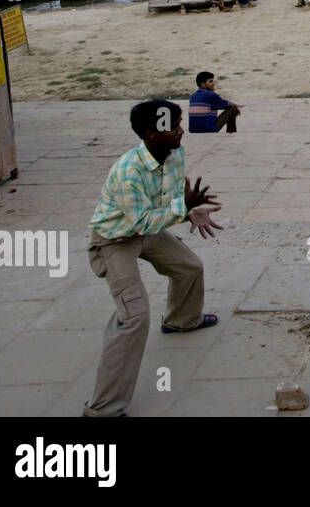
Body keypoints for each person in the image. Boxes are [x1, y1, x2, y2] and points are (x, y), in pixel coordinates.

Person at [82, 100, 222, 417]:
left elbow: (169, 196)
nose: (180, 131)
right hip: (115, 240)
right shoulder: (127, 171)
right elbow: (143, 222)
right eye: (172, 127)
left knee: (189, 268)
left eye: (179, 123)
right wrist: (182, 208)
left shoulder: (174, 153)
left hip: (146, 228)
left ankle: (181, 321)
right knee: (134, 317)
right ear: (149, 134)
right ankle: (102, 409)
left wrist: (188, 209)